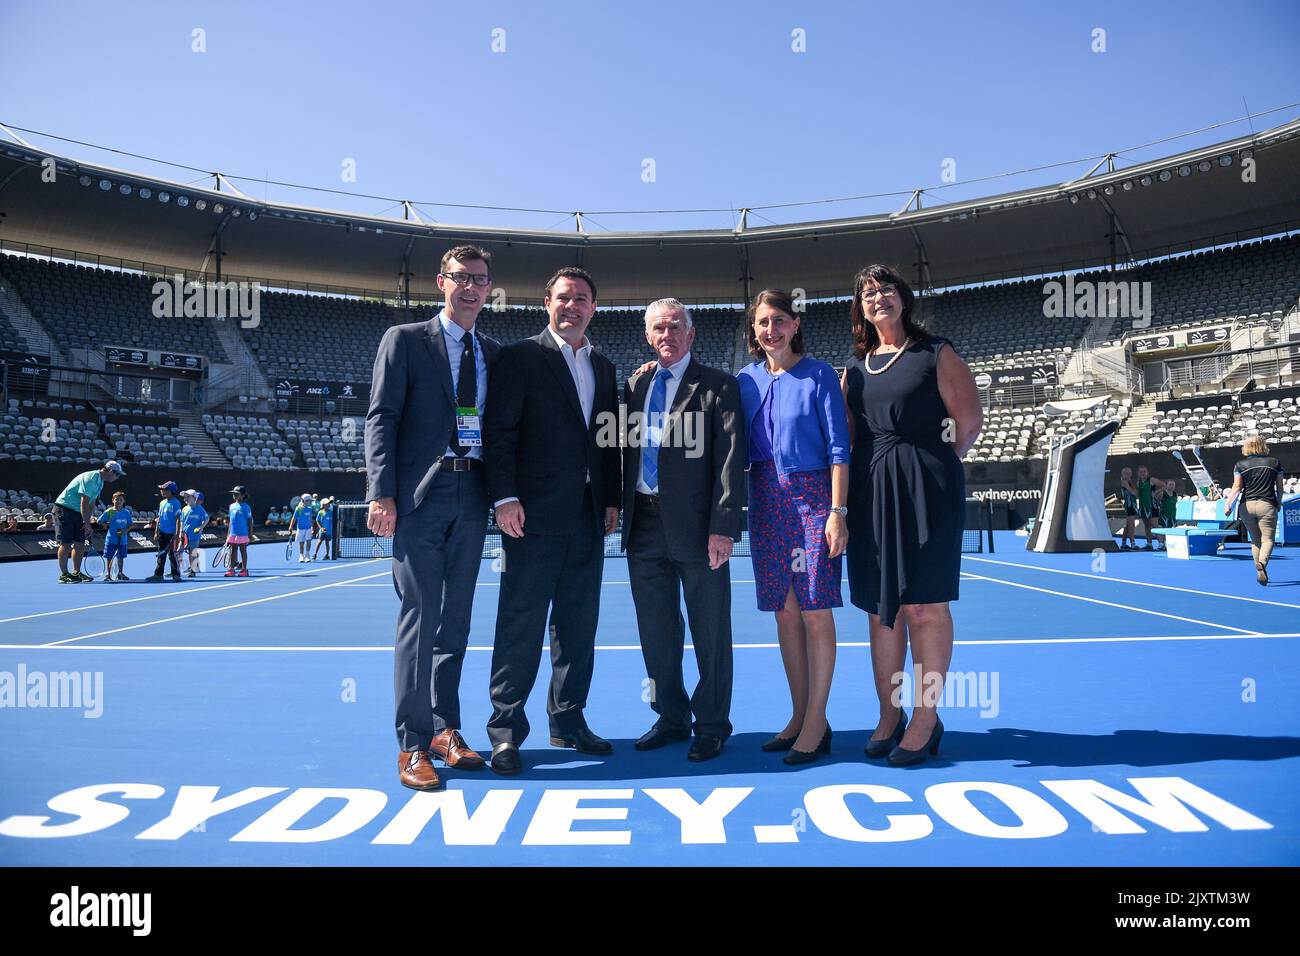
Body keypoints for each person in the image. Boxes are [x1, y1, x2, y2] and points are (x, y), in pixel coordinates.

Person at [366, 244, 503, 791]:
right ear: (440, 283)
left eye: (481, 280)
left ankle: (447, 729)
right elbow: (381, 418)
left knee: (457, 622)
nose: (471, 288)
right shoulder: (403, 340)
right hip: (420, 496)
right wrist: (382, 493)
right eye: (462, 278)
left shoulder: (492, 350)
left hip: (473, 495)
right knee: (420, 618)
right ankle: (413, 744)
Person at [483, 266, 621, 776]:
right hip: (531, 516)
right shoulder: (519, 358)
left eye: (582, 298)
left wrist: (610, 500)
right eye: (564, 297)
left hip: (587, 518)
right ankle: (505, 730)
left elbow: (606, 444)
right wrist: (504, 497)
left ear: (593, 308)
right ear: (547, 303)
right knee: (520, 622)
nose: (573, 306)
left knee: (578, 625)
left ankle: (568, 720)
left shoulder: (604, 368)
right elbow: (499, 434)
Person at [842, 264, 982, 767]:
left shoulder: (935, 352)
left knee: (925, 607)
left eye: (885, 289)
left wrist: (931, 469)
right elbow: (849, 439)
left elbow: (967, 423)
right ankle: (889, 714)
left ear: (903, 297)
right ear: (860, 308)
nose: (877, 297)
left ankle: (925, 718)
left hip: (928, 491)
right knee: (884, 610)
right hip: (870, 493)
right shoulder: (854, 368)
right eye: (867, 292)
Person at [621, 298, 745, 762]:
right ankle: (670, 717)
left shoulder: (719, 386)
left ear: (691, 335)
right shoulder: (636, 384)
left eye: (675, 327)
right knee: (657, 632)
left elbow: (730, 462)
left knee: (710, 630)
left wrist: (723, 527)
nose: (666, 335)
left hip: (699, 529)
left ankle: (712, 723)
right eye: (658, 328)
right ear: (648, 336)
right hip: (643, 524)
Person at [737, 288, 850, 765]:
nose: (771, 330)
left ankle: (818, 720)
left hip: (812, 499)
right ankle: (799, 714)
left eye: (780, 320)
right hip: (763, 499)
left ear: (795, 324)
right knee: (785, 614)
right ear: (754, 330)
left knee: (815, 611)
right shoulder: (744, 379)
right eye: (763, 322)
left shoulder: (820, 374)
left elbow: (840, 449)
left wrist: (836, 512)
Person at [1224, 436, 1285, 586]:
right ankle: (1262, 563)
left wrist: (1228, 504)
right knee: (1268, 539)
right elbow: (1280, 487)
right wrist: (1278, 501)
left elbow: (1237, 487)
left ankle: (1260, 572)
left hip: (1246, 505)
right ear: (1263, 446)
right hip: (1267, 504)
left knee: (1255, 540)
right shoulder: (1274, 463)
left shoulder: (1240, 465)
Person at [52, 460, 125, 583]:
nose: (117, 478)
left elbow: (91, 503)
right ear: (111, 472)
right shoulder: (90, 478)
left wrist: (88, 522)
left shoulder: (100, 482)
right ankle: (64, 575)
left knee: (80, 543)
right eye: (117, 475)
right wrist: (86, 523)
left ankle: (76, 572)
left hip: (77, 512)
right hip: (64, 509)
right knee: (66, 543)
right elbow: (84, 502)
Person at [145, 481, 184, 582]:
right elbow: (159, 518)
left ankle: (176, 574)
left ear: (170, 491)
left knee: (172, 554)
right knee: (161, 554)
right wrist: (156, 531)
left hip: (171, 534)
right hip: (162, 532)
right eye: (161, 489)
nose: (161, 491)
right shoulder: (162, 503)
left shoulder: (176, 503)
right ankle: (158, 575)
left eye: (164, 489)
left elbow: (178, 519)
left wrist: (177, 533)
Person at [95, 489, 134, 582]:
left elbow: (131, 524)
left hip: (123, 539)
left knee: (121, 557)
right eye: (116, 499)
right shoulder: (109, 512)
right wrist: (105, 524)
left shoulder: (126, 513)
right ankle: (108, 574)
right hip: (111, 539)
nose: (118, 501)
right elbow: (99, 521)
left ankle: (120, 573)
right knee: (109, 557)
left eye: (120, 500)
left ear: (123, 501)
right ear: (113, 500)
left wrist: (125, 530)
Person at [178, 490, 209, 577]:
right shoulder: (184, 509)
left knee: (192, 552)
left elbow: (207, 519)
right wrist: (181, 532)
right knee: (179, 552)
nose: (185, 499)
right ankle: (176, 570)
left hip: (195, 536)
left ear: (194, 498)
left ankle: (192, 570)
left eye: (188, 497)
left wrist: (201, 527)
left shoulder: (200, 509)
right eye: (185, 497)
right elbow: (182, 522)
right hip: (184, 535)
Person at [225, 485, 254, 577]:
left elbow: (250, 521)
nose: (234, 495)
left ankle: (244, 569)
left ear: (243, 495)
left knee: (243, 550)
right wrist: (228, 535)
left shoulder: (246, 507)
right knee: (233, 550)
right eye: (233, 493)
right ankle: (232, 569)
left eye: (237, 494)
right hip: (233, 533)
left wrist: (250, 534)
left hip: (243, 533)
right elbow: (230, 522)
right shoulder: (231, 506)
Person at [289, 493, 316, 563]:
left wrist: (313, 527)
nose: (310, 502)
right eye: (309, 501)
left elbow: (311, 519)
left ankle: (307, 555)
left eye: (311, 501)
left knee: (308, 541)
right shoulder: (298, 509)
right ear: (305, 501)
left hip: (308, 528)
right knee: (301, 543)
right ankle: (301, 555)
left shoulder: (310, 509)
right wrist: (291, 526)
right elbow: (294, 518)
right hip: (300, 528)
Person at [1118, 467, 1140, 549]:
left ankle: (1123, 543)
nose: (1127, 474)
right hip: (1129, 505)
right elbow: (1134, 493)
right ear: (1122, 474)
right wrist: (1134, 491)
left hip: (1132, 505)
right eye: (1125, 473)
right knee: (1131, 525)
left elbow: (1136, 493)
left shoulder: (1129, 482)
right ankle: (1133, 543)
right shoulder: (1124, 482)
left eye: (1128, 473)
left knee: (1128, 526)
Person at [313, 497, 334, 561]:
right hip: (322, 531)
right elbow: (317, 521)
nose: (329, 504)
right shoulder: (320, 512)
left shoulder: (331, 512)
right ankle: (315, 554)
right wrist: (321, 528)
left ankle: (327, 555)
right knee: (319, 542)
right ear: (323, 505)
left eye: (329, 503)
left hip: (329, 531)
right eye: (327, 504)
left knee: (327, 543)